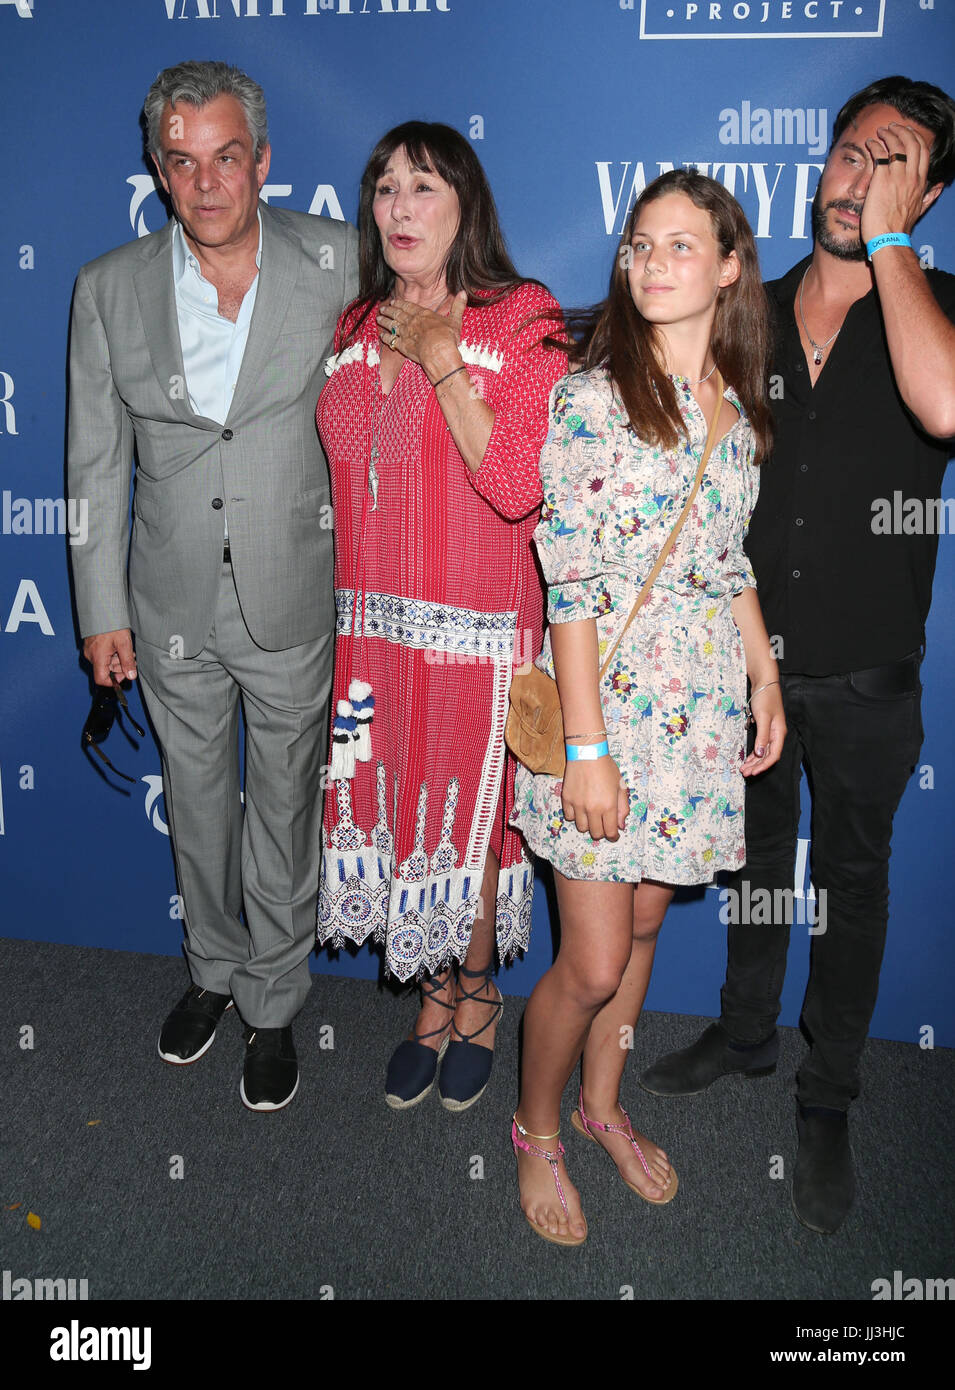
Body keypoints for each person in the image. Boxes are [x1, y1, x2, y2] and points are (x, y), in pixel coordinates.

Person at [640, 77, 955, 1235]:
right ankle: (743, 1030)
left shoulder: (937, 308)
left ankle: (828, 1099)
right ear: (816, 161)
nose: (859, 172)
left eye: (895, 161)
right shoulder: (748, 312)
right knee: (754, 861)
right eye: (849, 151)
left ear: (923, 192)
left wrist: (889, 246)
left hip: (872, 672)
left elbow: (944, 405)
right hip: (745, 666)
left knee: (852, 886)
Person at [67, 60, 358, 1112]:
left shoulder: (338, 263)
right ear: (158, 168)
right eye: (182, 162)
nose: (205, 183)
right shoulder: (107, 288)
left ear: (263, 162)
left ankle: (274, 1004)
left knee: (284, 807)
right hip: (168, 599)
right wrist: (99, 609)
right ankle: (213, 973)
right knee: (197, 805)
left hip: (293, 589)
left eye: (226, 158)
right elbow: (93, 462)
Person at [510, 170, 785, 1245]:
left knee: (644, 926)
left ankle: (600, 1103)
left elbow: (726, 560)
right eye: (640, 244)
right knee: (588, 960)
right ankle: (536, 1129)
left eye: (682, 245)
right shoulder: (589, 396)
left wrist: (762, 673)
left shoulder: (734, 397)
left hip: (698, 710)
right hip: (605, 707)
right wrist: (585, 748)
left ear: (727, 266)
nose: (654, 262)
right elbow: (568, 579)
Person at [316, 121, 566, 1113]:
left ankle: (478, 995)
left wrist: (438, 356)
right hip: (371, 640)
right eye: (384, 189)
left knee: (464, 835)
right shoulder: (349, 325)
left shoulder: (522, 318)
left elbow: (517, 486)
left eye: (422, 186)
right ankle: (431, 992)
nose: (400, 207)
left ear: (464, 202)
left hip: (476, 637)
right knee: (390, 820)